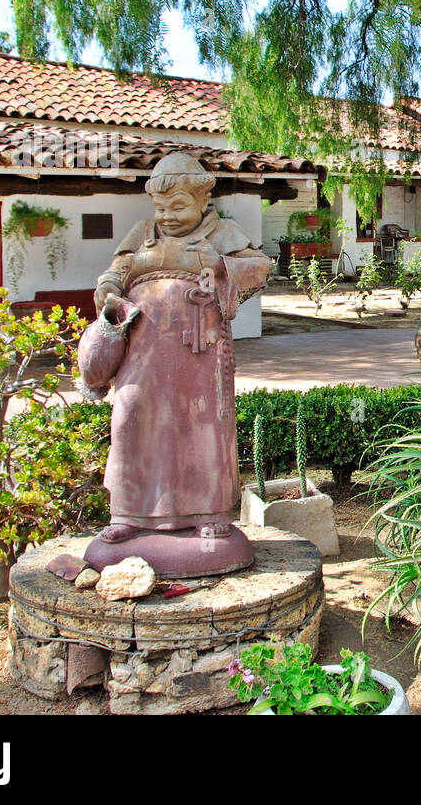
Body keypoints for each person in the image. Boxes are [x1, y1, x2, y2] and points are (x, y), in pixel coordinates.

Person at [80, 153, 272, 549]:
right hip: (141, 350)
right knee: (131, 420)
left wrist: (216, 265)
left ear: (203, 201)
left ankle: (208, 512)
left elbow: (259, 267)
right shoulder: (142, 234)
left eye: (178, 206)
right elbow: (112, 274)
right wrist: (109, 290)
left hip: (199, 352)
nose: (167, 216)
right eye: (160, 207)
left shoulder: (222, 233)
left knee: (200, 429)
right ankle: (129, 513)